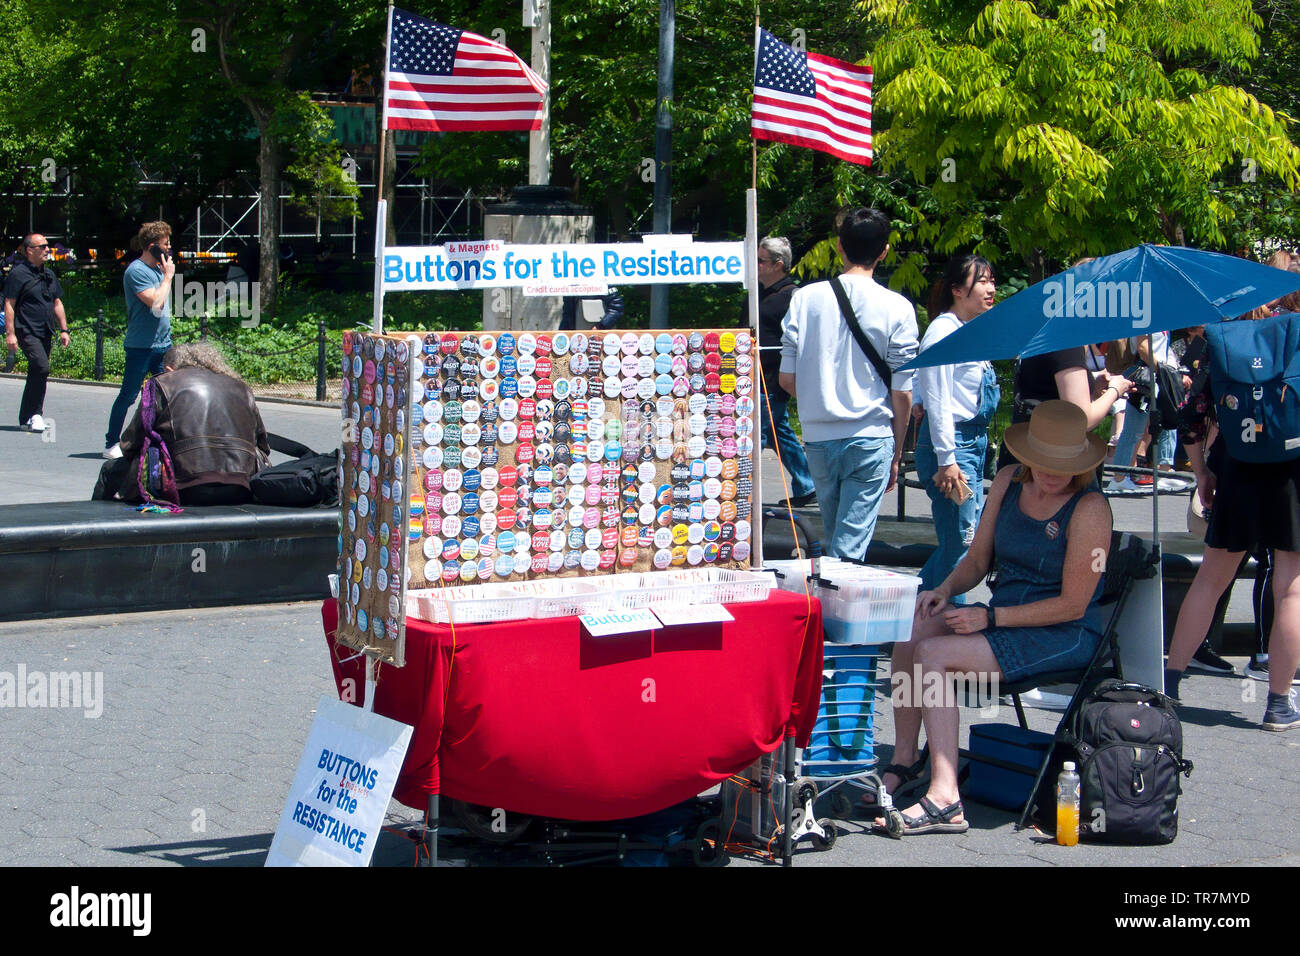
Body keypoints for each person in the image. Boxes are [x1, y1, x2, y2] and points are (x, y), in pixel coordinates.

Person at [875, 401, 1112, 832]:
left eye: (1063, 463)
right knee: (913, 627)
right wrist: (944, 590)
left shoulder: (1090, 507)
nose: (1051, 471)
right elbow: (978, 558)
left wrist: (992, 618)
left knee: (934, 654)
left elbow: (1074, 605)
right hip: (1003, 615)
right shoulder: (1007, 480)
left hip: (1063, 632)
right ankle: (907, 758)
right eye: (1042, 460)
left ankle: (946, 798)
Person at [1164, 259, 1300, 729]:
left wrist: (1203, 472)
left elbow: (1191, 412)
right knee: (1291, 590)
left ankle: (1171, 682)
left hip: (1237, 470)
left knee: (1210, 581)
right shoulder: (1297, 338)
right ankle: (1277, 704)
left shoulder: (1227, 340)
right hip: (1293, 478)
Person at [779, 207, 918, 560]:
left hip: (818, 436)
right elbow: (902, 391)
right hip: (871, 434)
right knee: (850, 546)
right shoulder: (898, 307)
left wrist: (820, 398)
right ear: (884, 251)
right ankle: (836, 608)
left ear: (839, 247)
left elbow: (786, 379)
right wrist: (898, 452)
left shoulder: (804, 299)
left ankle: (826, 603)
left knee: (837, 538)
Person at [913, 255, 1000, 598]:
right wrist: (947, 459)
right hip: (952, 448)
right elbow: (938, 401)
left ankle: (922, 613)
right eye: (982, 281)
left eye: (992, 280)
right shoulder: (943, 333)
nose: (991, 288)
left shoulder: (969, 331)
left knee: (964, 541)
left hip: (971, 445)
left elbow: (925, 384)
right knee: (961, 544)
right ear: (957, 290)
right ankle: (926, 613)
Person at [92, 342, 269, 506]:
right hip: (241, 486)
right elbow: (263, 445)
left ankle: (96, 534)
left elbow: (130, 444)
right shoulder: (242, 388)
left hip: (185, 487)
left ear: (170, 369)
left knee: (110, 470)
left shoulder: (163, 383)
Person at [748, 236, 816, 509]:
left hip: (773, 378)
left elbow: (796, 341)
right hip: (752, 375)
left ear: (778, 265)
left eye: (760, 260)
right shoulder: (756, 292)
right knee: (779, 432)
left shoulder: (792, 296)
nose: (756, 265)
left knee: (756, 436)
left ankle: (743, 494)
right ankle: (807, 484)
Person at [104, 222, 175, 459]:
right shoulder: (136, 271)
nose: (170, 248)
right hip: (141, 346)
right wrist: (168, 277)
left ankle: (162, 440)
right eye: (166, 244)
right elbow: (156, 302)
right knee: (129, 394)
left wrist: (165, 275)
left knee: (168, 395)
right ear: (153, 247)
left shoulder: (158, 269)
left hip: (163, 345)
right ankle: (112, 442)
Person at [4, 233, 70, 432]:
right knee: (42, 367)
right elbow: (9, 304)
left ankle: (26, 417)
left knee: (36, 371)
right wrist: (10, 333)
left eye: (47, 246)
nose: (47, 249)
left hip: (45, 330)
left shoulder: (48, 274)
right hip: (26, 330)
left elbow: (57, 302)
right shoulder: (18, 274)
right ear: (29, 250)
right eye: (42, 246)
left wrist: (64, 329)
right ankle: (36, 414)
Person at [560, 287, 624, 330]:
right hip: (574, 338)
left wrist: (600, 327)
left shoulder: (603, 282)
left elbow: (617, 308)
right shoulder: (569, 285)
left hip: (601, 338)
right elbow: (567, 316)